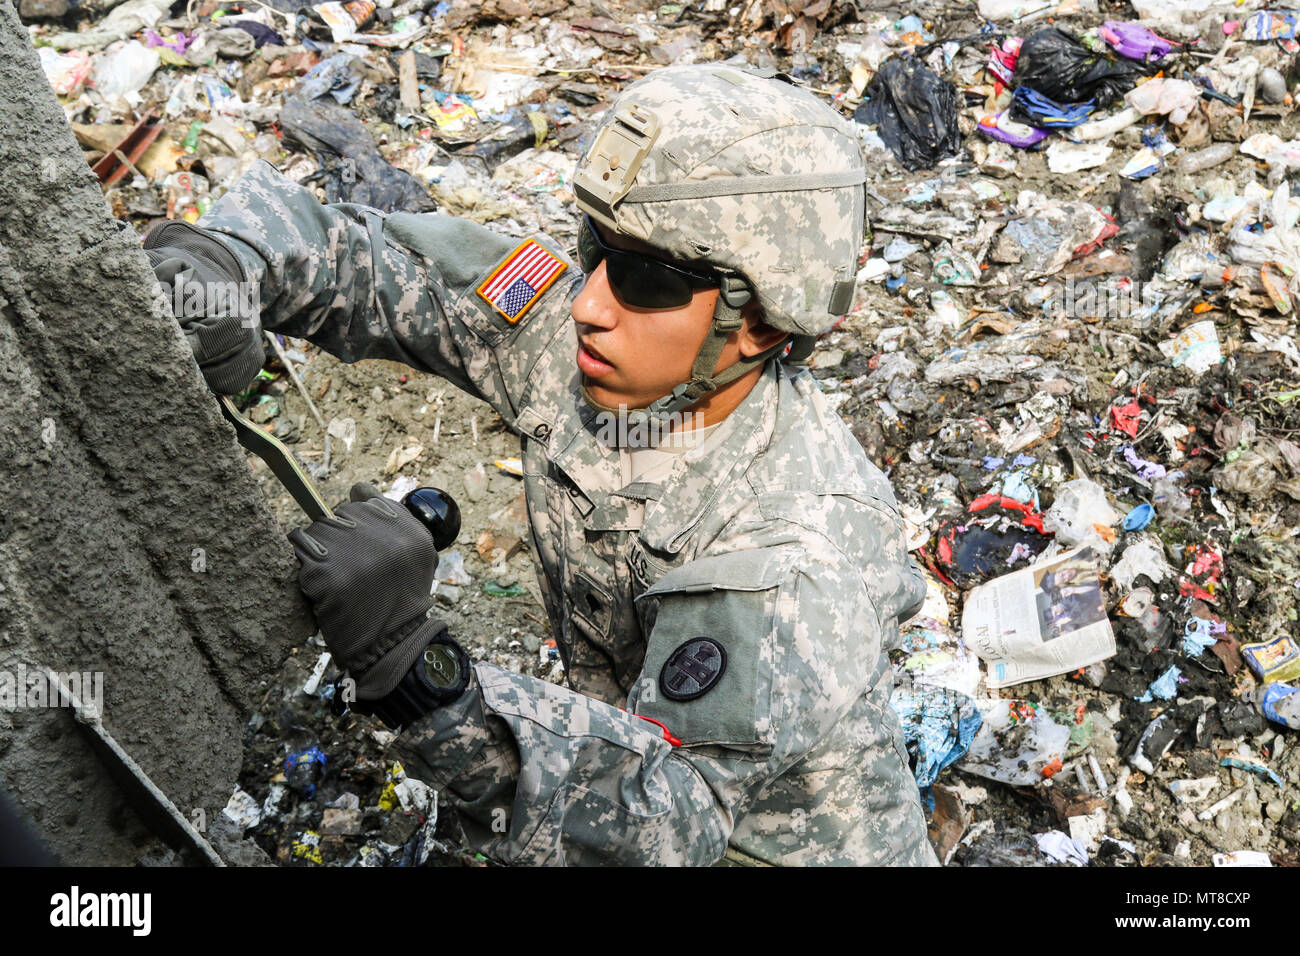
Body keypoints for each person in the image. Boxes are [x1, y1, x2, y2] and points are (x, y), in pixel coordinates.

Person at [145, 64, 937, 866]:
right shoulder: (582, 340)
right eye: (595, 247)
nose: (589, 301)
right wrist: (218, 264)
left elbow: (663, 829)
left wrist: (415, 666)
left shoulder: (795, 555)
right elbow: (377, 263)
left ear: (762, 325)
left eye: (642, 277)